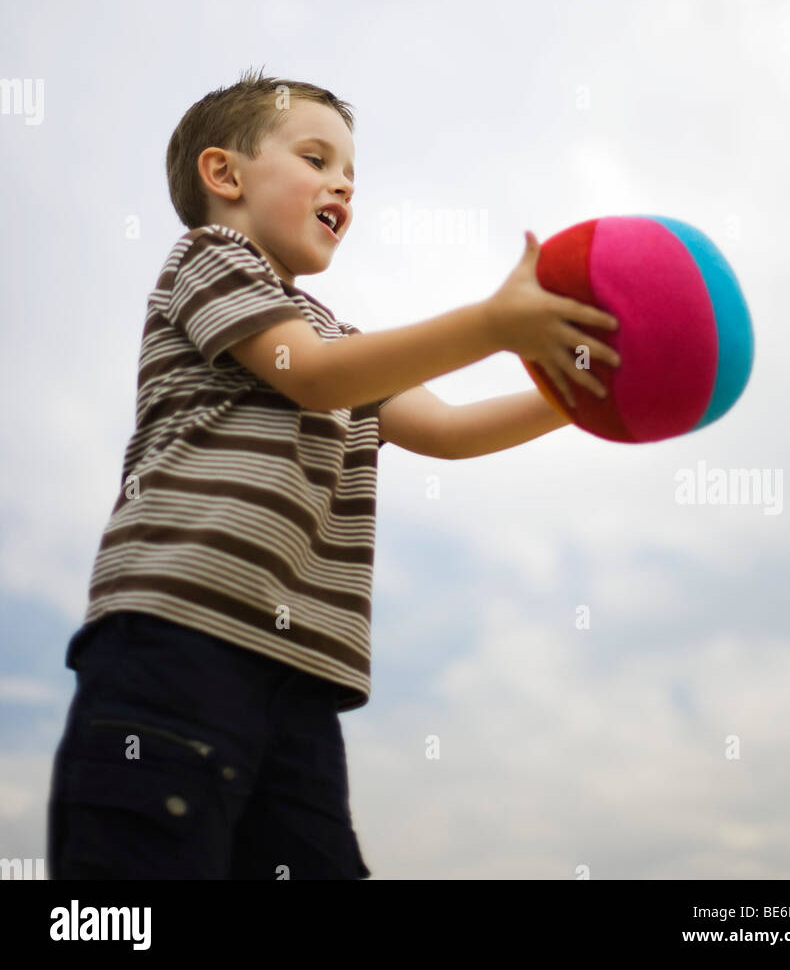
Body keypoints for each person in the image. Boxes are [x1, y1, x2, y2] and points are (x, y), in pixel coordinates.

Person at [46, 66, 619, 880]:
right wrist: (494, 324)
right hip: (177, 644)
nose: (342, 188)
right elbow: (310, 374)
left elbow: (450, 430)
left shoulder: (338, 339)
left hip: (302, 680)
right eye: (317, 160)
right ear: (224, 175)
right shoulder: (212, 260)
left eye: (351, 176)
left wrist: (591, 397)